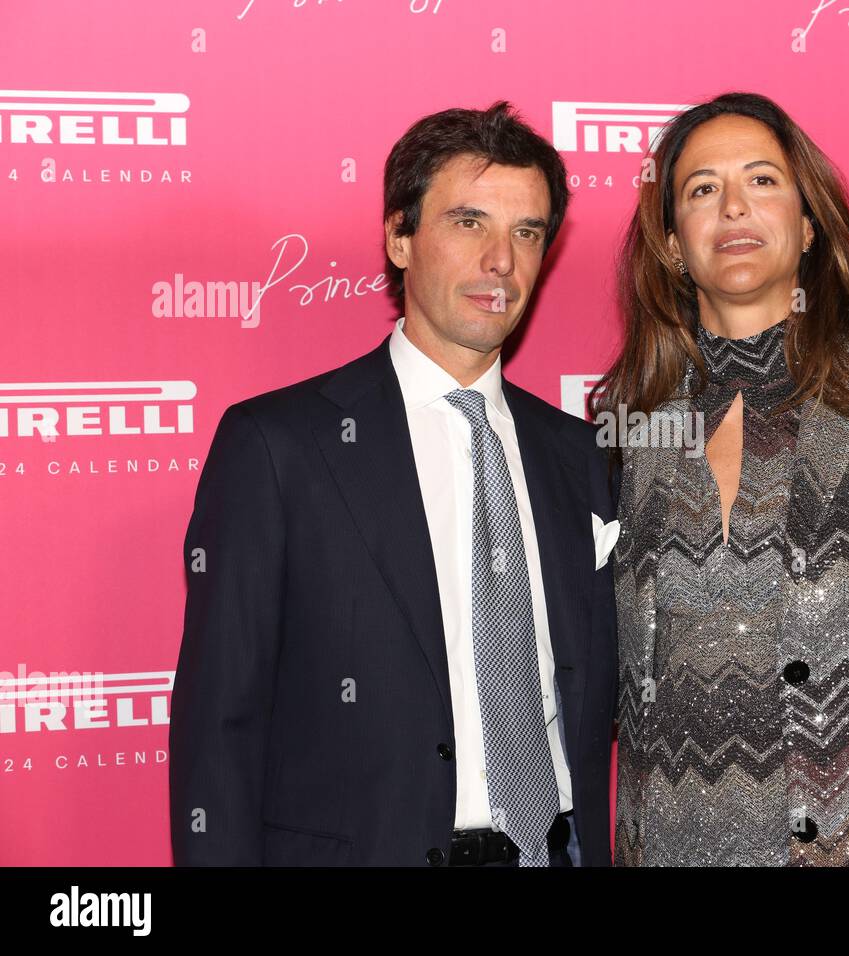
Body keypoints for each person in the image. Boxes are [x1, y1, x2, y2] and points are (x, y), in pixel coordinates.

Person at [169, 101, 619, 867]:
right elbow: (221, 723)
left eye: (527, 232)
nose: (501, 262)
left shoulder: (582, 455)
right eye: (469, 223)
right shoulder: (280, 446)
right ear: (400, 237)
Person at [593, 91, 849, 866]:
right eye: (703, 190)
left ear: (809, 226)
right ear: (675, 245)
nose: (735, 207)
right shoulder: (632, 432)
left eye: (763, 180)